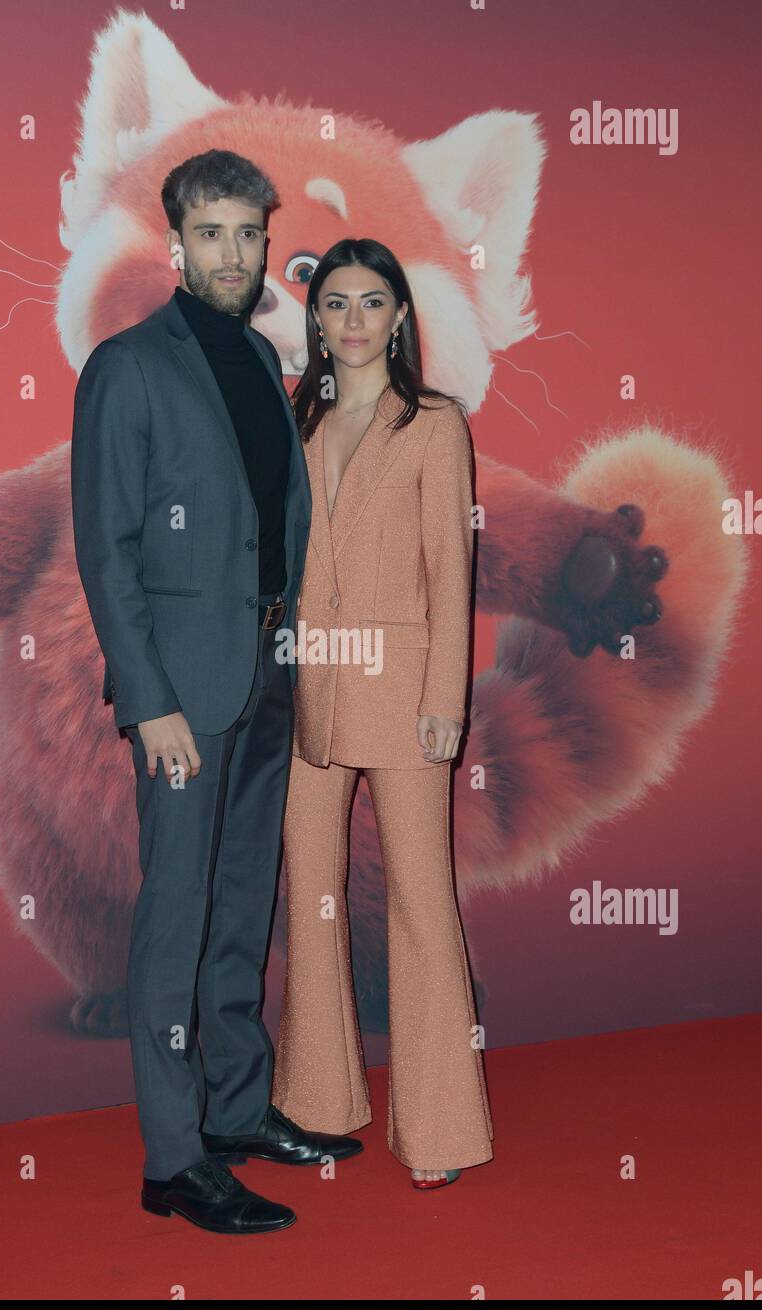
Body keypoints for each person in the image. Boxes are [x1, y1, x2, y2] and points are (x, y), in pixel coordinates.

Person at [70, 149, 361, 1237]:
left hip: (265, 677)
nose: (234, 254)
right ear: (176, 242)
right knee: (177, 918)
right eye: (213, 235)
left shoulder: (254, 352)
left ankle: (237, 1110)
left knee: (242, 908)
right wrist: (148, 701)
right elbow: (108, 549)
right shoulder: (126, 366)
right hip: (181, 699)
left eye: (250, 234)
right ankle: (173, 1157)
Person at [270, 239, 494, 1189]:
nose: (353, 321)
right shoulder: (298, 415)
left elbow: (454, 572)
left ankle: (439, 1131)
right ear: (315, 321)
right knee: (310, 903)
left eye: (372, 302)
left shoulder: (436, 425)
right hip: (307, 699)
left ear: (400, 316)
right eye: (335, 304)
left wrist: (446, 702)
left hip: (405, 700)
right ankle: (317, 1102)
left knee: (419, 902)